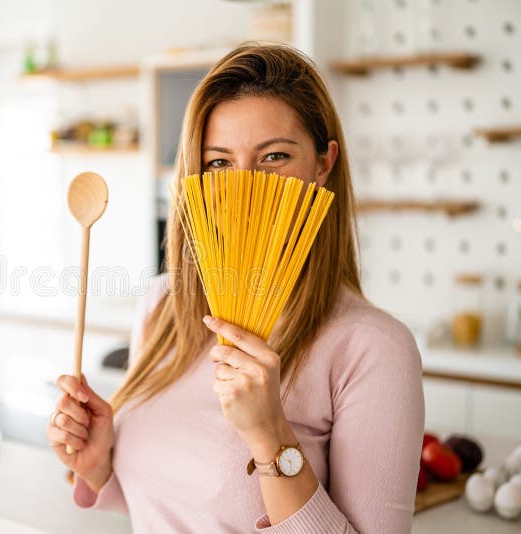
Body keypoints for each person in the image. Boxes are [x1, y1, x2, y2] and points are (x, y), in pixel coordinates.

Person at [47, 43, 424, 533]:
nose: (245, 186)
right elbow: (170, 507)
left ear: (323, 164)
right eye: (220, 163)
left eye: (274, 156)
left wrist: (270, 435)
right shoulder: (161, 307)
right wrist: (100, 466)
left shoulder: (374, 348)